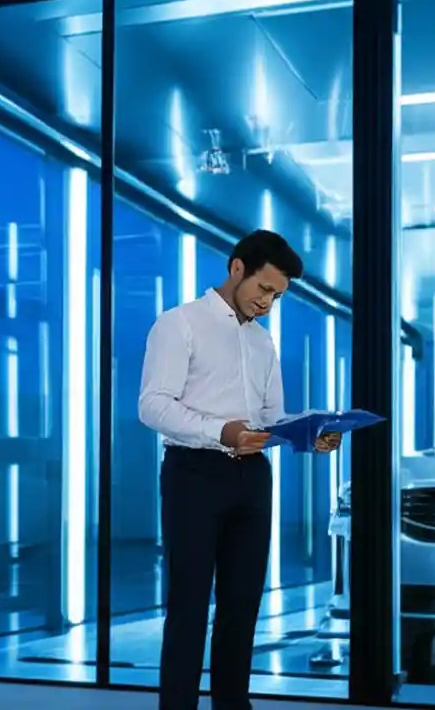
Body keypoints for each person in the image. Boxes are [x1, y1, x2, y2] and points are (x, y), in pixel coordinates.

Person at [138, 229, 341, 710]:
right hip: (194, 474)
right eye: (264, 288)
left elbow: (270, 419)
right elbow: (152, 406)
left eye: (277, 295)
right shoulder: (179, 324)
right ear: (236, 269)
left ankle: (232, 705)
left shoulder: (262, 342)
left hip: (253, 480)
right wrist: (219, 431)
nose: (268, 302)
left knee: (242, 606)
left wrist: (309, 436)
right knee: (188, 608)